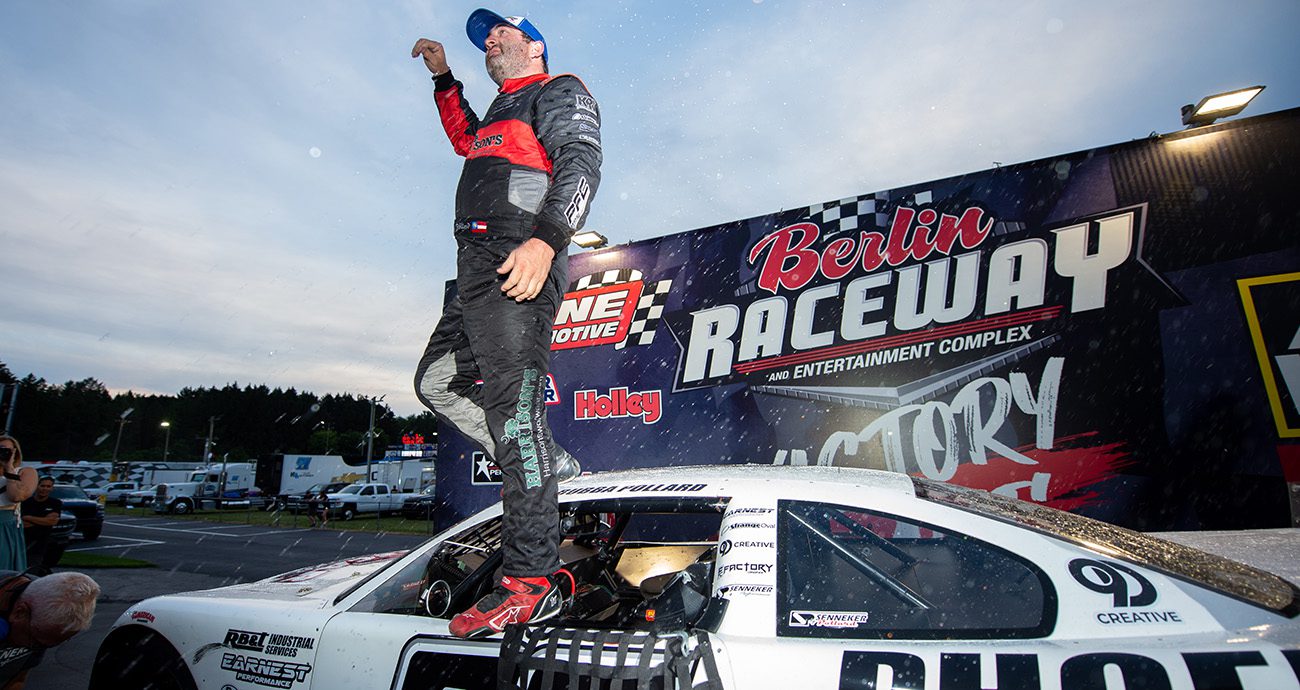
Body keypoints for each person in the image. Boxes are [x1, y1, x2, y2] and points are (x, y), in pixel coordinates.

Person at [410, 8, 602, 639]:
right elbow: (465, 138)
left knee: (514, 414)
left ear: (535, 46)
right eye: (483, 42)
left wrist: (547, 242)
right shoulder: (498, 111)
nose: (489, 44)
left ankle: (531, 582)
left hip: (520, 255)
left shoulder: (559, 90)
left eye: (500, 36)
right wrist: (444, 78)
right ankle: (552, 469)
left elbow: (579, 165)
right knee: (437, 382)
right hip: (472, 267)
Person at [0, 570, 99, 689]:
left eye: (49, 645)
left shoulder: (43, 608)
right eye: (36, 643)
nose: (37, 649)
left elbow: (17, 680)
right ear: (19, 613)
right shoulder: (36, 603)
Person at [0, 437, 37, 573]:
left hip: (4, 524)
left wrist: (9, 468)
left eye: (6, 449)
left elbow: (16, 496)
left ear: (15, 452)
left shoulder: (25, 472)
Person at [19, 479, 61, 576]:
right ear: (36, 486)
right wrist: (43, 520)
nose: (45, 489)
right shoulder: (25, 502)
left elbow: (52, 521)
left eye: (48, 486)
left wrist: (28, 517)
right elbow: (22, 523)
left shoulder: (55, 503)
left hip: (41, 544)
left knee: (33, 571)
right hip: (23, 541)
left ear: (52, 488)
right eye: (42, 486)